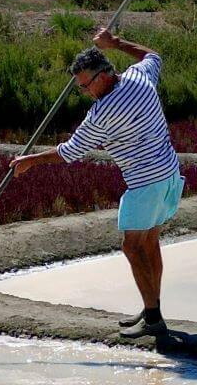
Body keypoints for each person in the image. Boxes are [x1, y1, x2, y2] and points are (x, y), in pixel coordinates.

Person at [10, 22, 182, 337]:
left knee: (132, 248)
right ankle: (150, 308)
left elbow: (70, 152)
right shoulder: (139, 77)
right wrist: (115, 42)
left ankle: (154, 320)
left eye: (85, 85)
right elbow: (152, 55)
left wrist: (29, 162)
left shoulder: (101, 115)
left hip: (145, 184)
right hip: (170, 174)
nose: (84, 92)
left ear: (102, 77)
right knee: (149, 242)